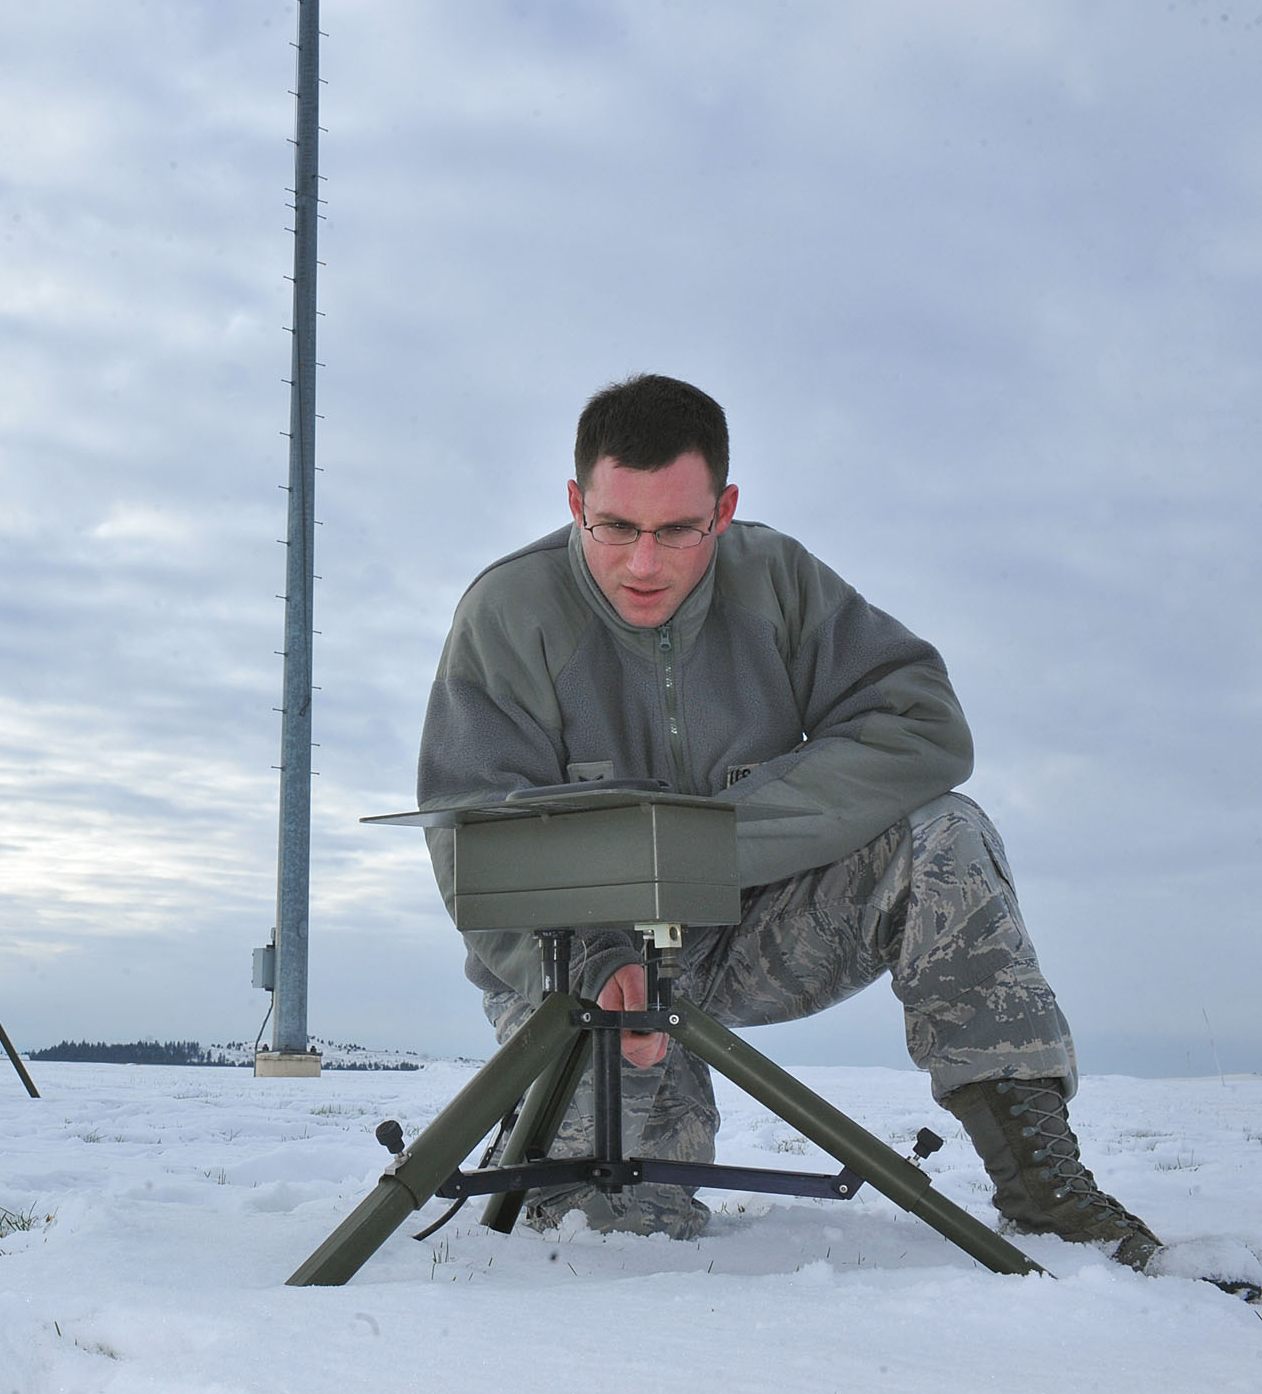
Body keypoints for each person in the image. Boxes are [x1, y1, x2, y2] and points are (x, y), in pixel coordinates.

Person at [417, 372, 1160, 1270]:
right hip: (584, 970)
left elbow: (923, 726)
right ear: (576, 501)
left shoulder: (779, 581)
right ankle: (554, 1150)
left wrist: (712, 841)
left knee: (945, 835)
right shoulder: (507, 614)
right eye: (615, 526)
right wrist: (603, 957)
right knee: (612, 1237)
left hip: (752, 928)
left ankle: (1049, 1194)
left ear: (723, 510)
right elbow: (473, 846)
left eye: (678, 530)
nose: (643, 564)